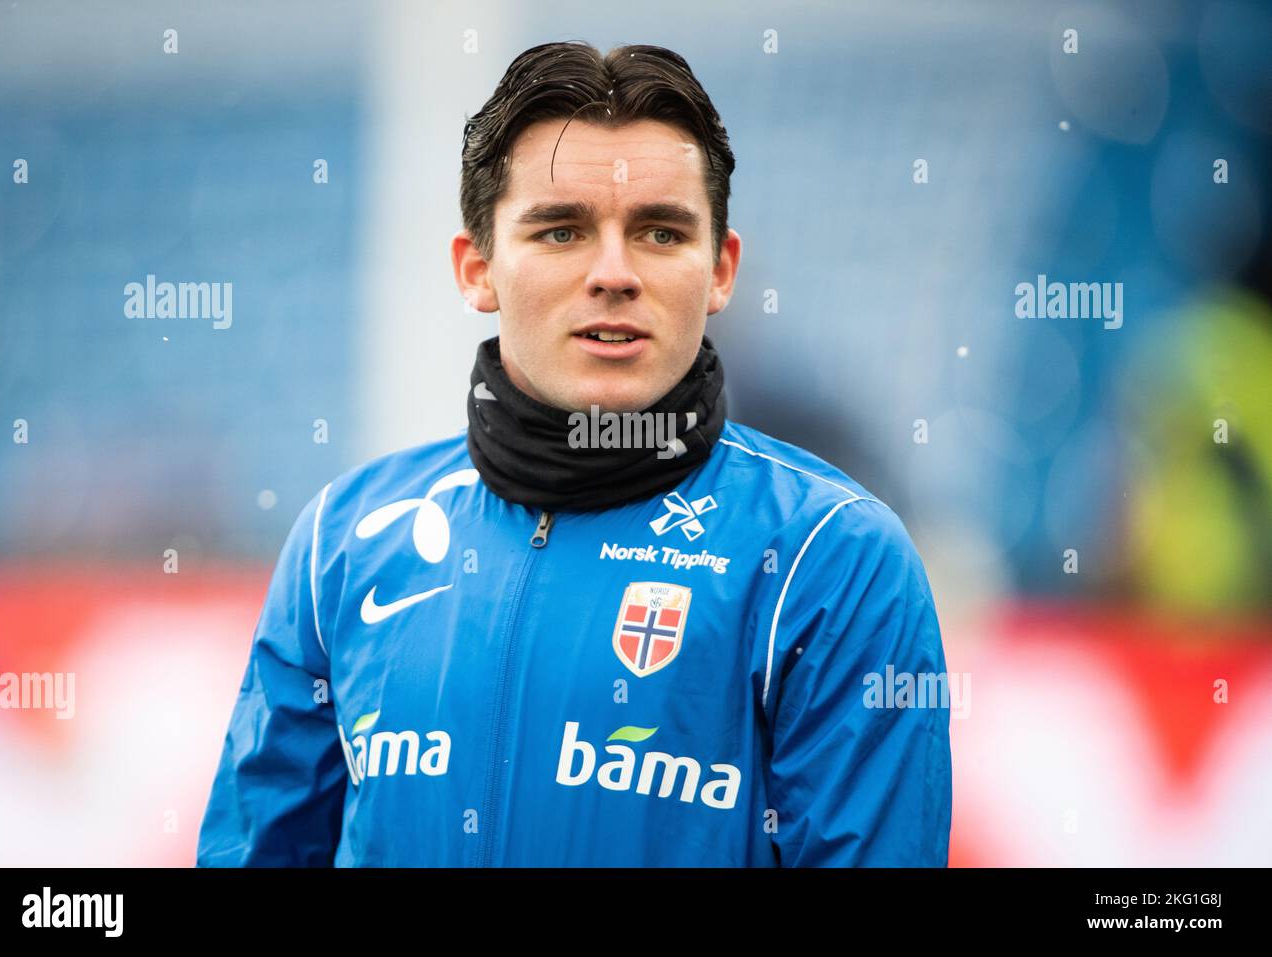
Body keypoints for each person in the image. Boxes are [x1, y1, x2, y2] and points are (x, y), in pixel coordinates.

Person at [197, 40, 951, 867]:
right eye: (561, 231)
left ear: (721, 271)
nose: (615, 273)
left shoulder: (834, 559)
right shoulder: (342, 541)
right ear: (477, 269)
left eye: (661, 232)